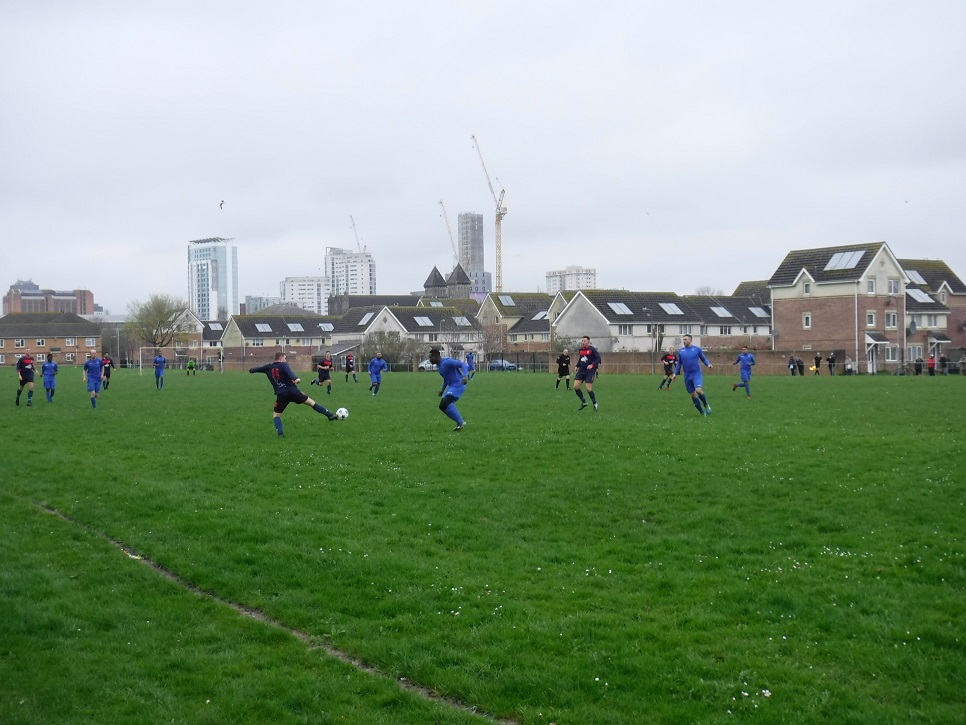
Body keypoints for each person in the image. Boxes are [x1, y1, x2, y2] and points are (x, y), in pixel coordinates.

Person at [249, 351, 339, 437]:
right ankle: (330, 415)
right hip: (294, 392)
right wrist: (296, 378)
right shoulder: (284, 365)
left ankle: (280, 434)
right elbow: (289, 372)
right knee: (311, 403)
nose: (285, 360)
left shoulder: (268, 367)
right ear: (280, 359)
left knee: (276, 415)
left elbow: (257, 369)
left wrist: (251, 370)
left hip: (282, 395)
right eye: (285, 358)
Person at [673, 333, 713, 416]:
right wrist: (675, 373)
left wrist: (708, 364)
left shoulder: (697, 349)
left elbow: (704, 358)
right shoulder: (681, 351)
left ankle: (706, 404)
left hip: (696, 373)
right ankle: (702, 412)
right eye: (683, 339)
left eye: (685, 339)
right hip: (687, 375)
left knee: (698, 390)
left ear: (690, 340)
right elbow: (679, 363)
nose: (683, 341)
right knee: (693, 395)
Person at [429, 347, 468, 430]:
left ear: (436, 357)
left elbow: (463, 364)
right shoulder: (438, 367)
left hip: (459, 385)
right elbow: (446, 379)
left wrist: (465, 376)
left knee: (446, 402)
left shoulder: (447, 362)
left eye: (430, 357)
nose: (429, 360)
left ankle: (461, 422)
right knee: (442, 406)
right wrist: (442, 389)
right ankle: (459, 422)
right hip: (452, 387)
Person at [573, 336, 601, 411]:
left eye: (584, 341)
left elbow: (599, 359)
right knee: (575, 387)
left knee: (588, 389)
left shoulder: (592, 349)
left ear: (588, 341)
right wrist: (577, 365)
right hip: (582, 370)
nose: (583, 342)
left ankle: (595, 404)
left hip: (590, 371)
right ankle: (584, 402)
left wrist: (592, 365)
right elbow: (581, 358)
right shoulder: (581, 350)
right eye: (582, 341)